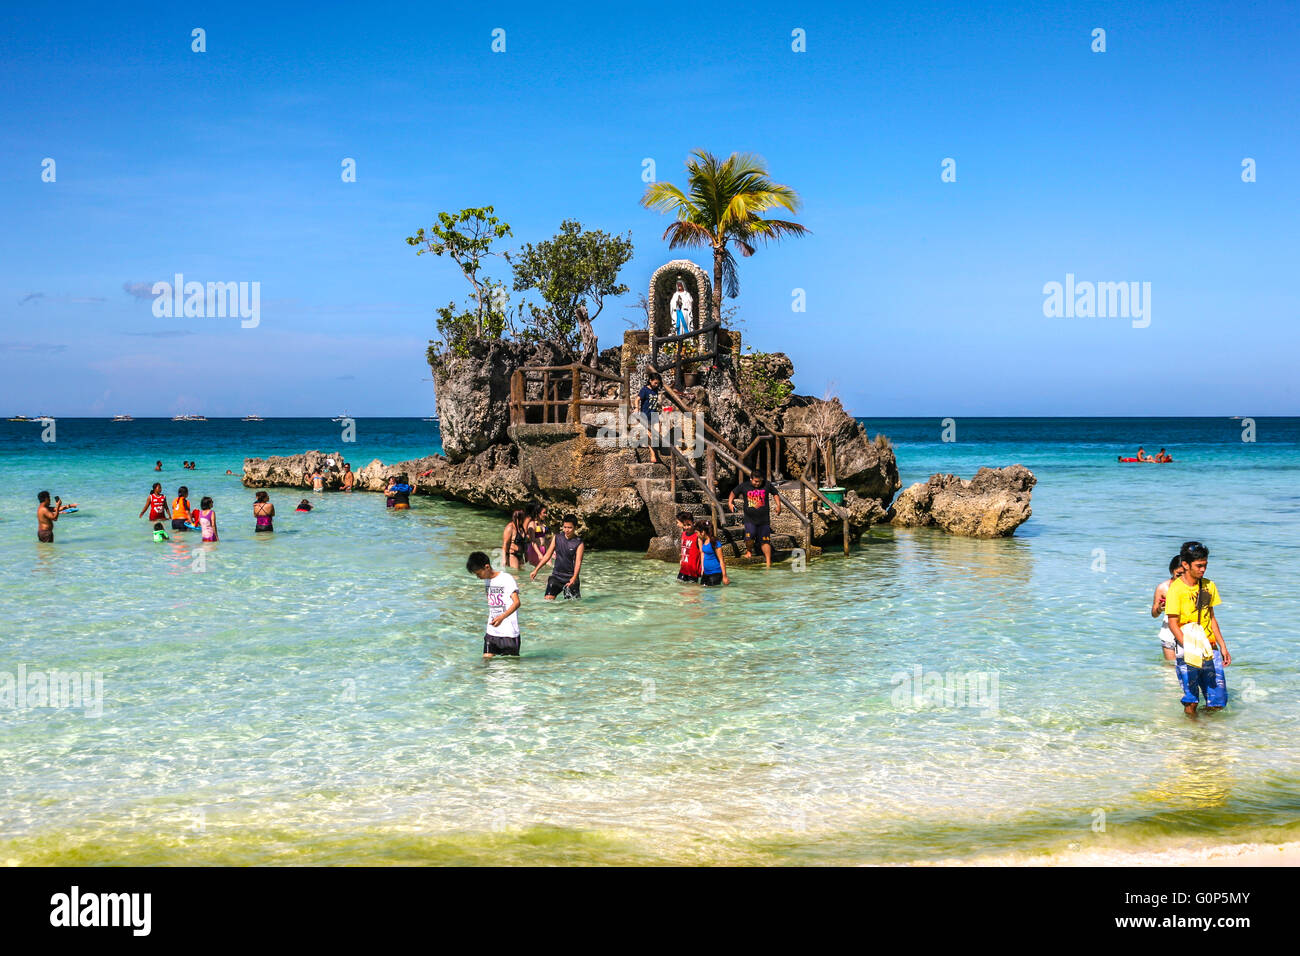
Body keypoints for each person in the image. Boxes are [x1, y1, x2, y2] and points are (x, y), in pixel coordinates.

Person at [1166, 541, 1233, 716]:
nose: (1203, 570)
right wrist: (1189, 647)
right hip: (1186, 648)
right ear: (1186, 565)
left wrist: (1223, 647)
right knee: (1191, 700)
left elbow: (1211, 618)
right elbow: (1173, 624)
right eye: (1199, 566)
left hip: (1210, 648)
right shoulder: (1176, 589)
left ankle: (1206, 728)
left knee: (1218, 700)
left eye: (1205, 565)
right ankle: (1192, 733)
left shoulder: (1209, 586)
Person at [468, 551, 522, 658]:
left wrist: (502, 617)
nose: (478, 577)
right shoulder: (486, 581)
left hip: (509, 633)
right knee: (486, 665)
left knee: (510, 669)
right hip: (491, 633)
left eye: (478, 573)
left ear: (487, 567)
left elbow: (517, 603)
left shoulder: (506, 578)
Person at [729, 470, 782, 568]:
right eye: (755, 481)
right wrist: (730, 503)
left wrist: (778, 505)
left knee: (765, 541)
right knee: (749, 537)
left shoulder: (767, 485)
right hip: (750, 519)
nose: (757, 484)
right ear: (751, 479)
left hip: (764, 520)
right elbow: (733, 492)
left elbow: (775, 493)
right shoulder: (744, 486)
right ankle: (749, 551)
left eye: (759, 481)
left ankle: (768, 562)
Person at [531, 514, 584, 600]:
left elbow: (578, 562)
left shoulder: (579, 543)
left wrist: (574, 578)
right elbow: (547, 555)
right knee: (547, 601)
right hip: (556, 577)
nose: (566, 530)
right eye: (565, 527)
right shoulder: (557, 538)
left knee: (572, 608)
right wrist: (536, 570)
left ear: (575, 527)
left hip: (570, 578)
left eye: (569, 527)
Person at [1152, 555, 1184, 661]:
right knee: (1170, 668)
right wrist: (1160, 609)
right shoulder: (1163, 588)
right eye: (1178, 575)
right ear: (1171, 571)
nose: (1181, 578)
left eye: (1184, 575)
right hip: (1168, 630)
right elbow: (1154, 614)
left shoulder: (1192, 587)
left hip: (1186, 628)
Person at [637, 372, 663, 463]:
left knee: (657, 432)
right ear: (650, 381)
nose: (657, 385)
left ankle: (652, 447)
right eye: (655, 383)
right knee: (650, 434)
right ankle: (653, 454)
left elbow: (654, 402)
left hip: (654, 415)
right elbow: (637, 400)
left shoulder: (655, 390)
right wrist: (636, 409)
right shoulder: (644, 390)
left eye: (658, 383)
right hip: (646, 416)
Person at [698, 519, 729, 587]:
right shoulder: (703, 541)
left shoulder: (715, 543)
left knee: (712, 593)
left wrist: (724, 576)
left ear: (702, 532)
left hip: (715, 573)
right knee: (702, 591)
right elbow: (702, 554)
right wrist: (702, 568)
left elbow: (721, 560)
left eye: (697, 532)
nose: (697, 535)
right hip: (706, 572)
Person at [677, 512, 702, 583]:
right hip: (684, 567)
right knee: (680, 585)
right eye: (684, 525)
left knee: (692, 589)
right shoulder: (683, 534)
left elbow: (702, 552)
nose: (686, 527)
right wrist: (681, 558)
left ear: (693, 523)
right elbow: (683, 548)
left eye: (689, 525)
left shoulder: (697, 536)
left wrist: (702, 566)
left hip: (693, 569)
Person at [524, 502, 552, 567]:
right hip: (535, 551)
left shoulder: (543, 524)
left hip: (544, 549)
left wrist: (552, 551)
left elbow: (545, 539)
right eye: (544, 513)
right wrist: (539, 554)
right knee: (538, 573)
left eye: (546, 513)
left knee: (549, 569)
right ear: (538, 513)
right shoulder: (532, 524)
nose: (546, 515)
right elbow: (533, 541)